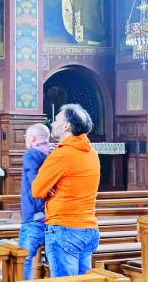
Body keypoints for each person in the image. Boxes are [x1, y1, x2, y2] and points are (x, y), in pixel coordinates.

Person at [31, 104, 100, 276]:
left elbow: (37, 190)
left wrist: (50, 186)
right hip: (88, 227)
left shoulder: (62, 154)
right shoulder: (92, 153)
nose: (52, 123)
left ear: (67, 126)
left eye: (56, 120)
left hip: (65, 228)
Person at [18, 123, 55, 279]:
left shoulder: (31, 154)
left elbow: (36, 185)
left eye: (26, 137)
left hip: (34, 217)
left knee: (22, 259)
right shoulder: (54, 153)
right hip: (53, 216)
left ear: (32, 138)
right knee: (54, 261)